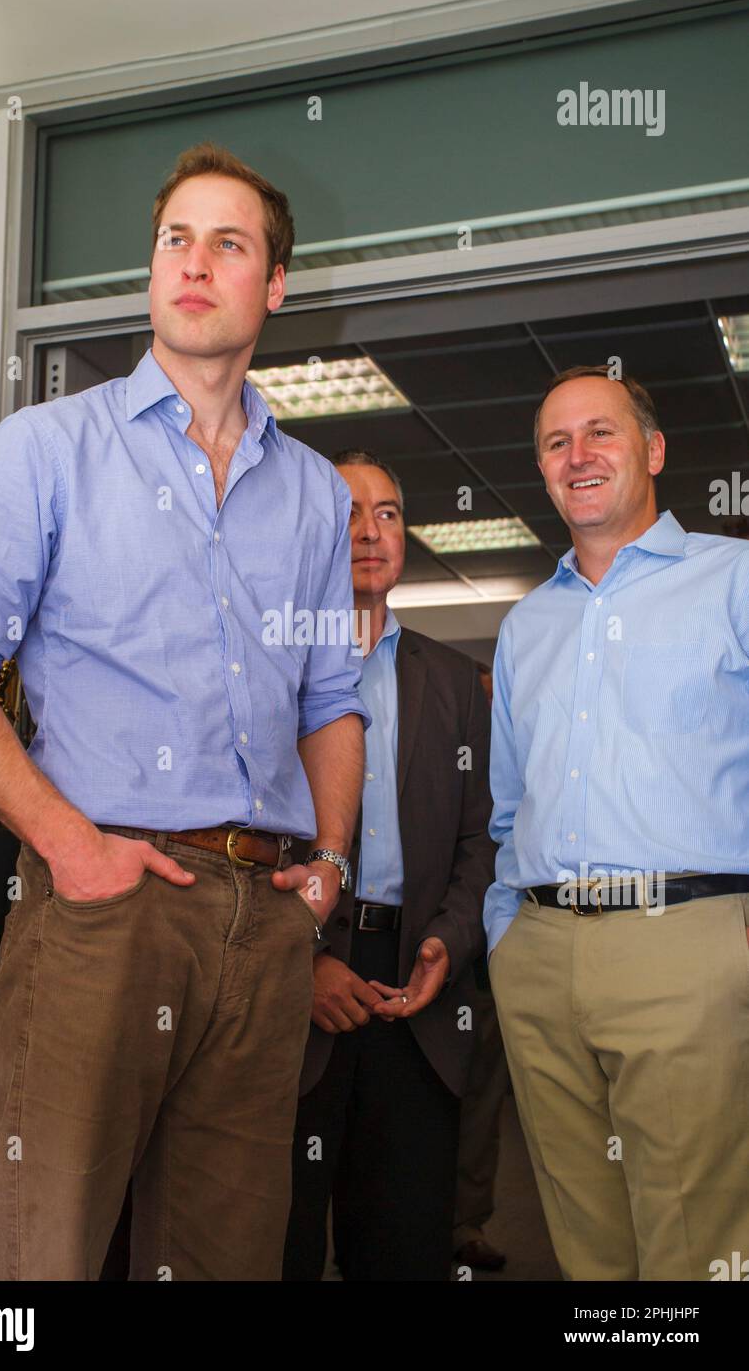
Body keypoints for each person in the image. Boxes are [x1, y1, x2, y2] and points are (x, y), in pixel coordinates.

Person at [0, 142, 370, 1282]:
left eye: (228, 243)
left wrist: (329, 869)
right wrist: (69, 847)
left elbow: (331, 700)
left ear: (274, 286)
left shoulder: (312, 491)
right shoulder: (50, 449)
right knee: (35, 1258)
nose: (194, 263)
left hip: (261, 923)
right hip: (100, 907)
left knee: (225, 1262)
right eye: (174, 240)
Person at [485, 364, 749, 1281]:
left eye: (601, 432)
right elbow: (509, 809)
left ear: (654, 450)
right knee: (583, 1241)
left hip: (686, 941)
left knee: (695, 1243)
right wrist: (505, 938)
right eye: (556, 442)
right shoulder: (526, 627)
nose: (578, 455)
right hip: (541, 956)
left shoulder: (735, 579)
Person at [282, 449, 494, 1282]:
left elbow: (483, 841)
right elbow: (240, 834)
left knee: (403, 1249)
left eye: (389, 513)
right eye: (347, 511)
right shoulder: (277, 664)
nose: (369, 531)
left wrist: (448, 942)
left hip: (419, 992)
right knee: (279, 1245)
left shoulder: (454, 681)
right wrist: (305, 961)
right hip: (299, 992)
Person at [453, 663, 509, 1274]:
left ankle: (466, 1224)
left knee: (479, 1099)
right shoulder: (449, 748)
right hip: (436, 939)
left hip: (492, 958)